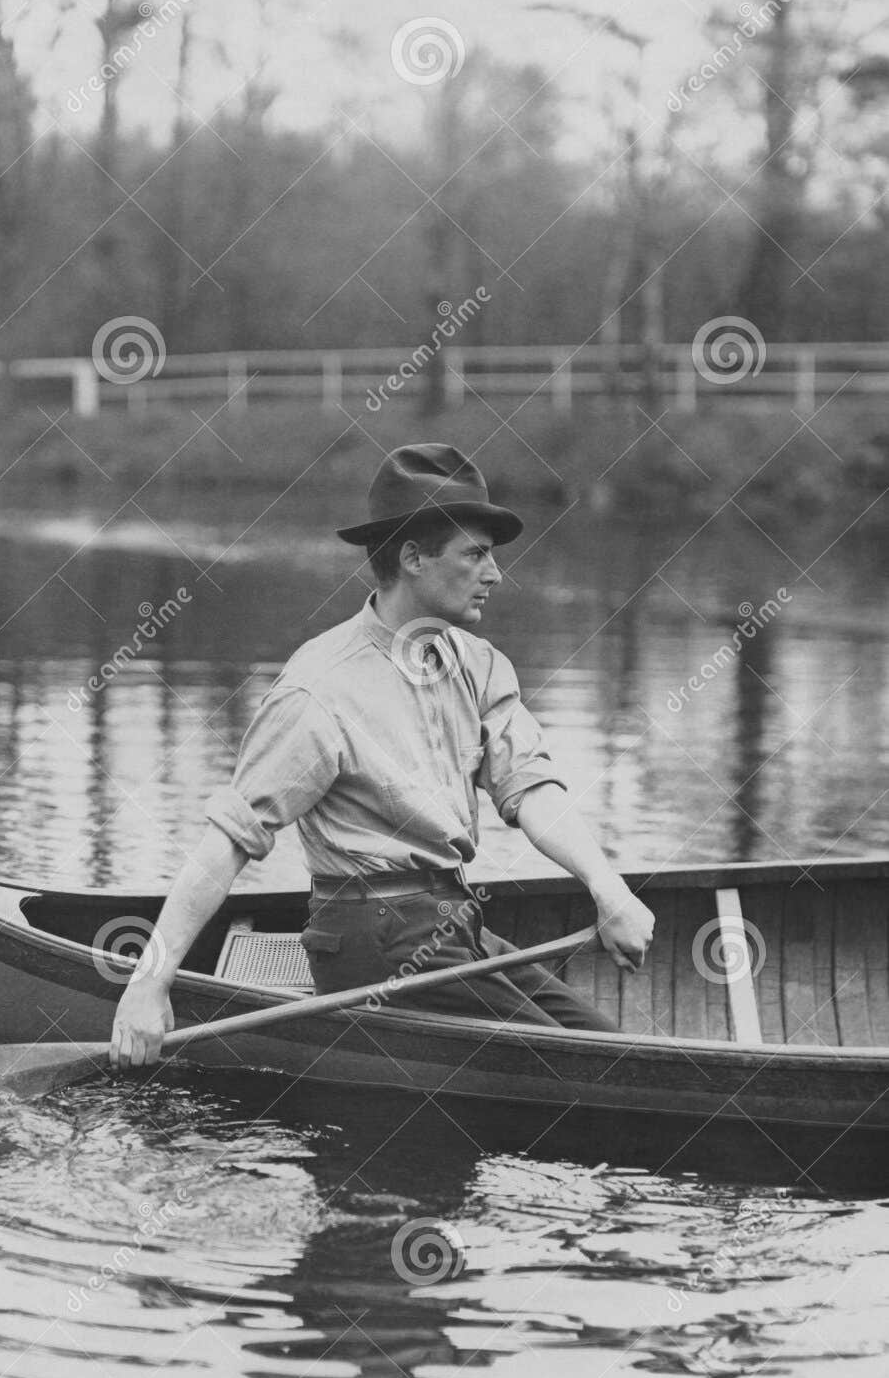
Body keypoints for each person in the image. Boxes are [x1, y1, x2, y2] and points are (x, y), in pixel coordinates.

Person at [110, 443, 654, 1069]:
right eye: (475, 554)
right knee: (585, 1070)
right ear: (413, 558)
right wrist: (148, 984)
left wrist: (607, 890)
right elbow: (228, 841)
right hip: (371, 937)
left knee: (605, 1046)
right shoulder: (319, 688)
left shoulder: (477, 664)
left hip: (451, 921)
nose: (496, 574)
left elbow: (530, 789)